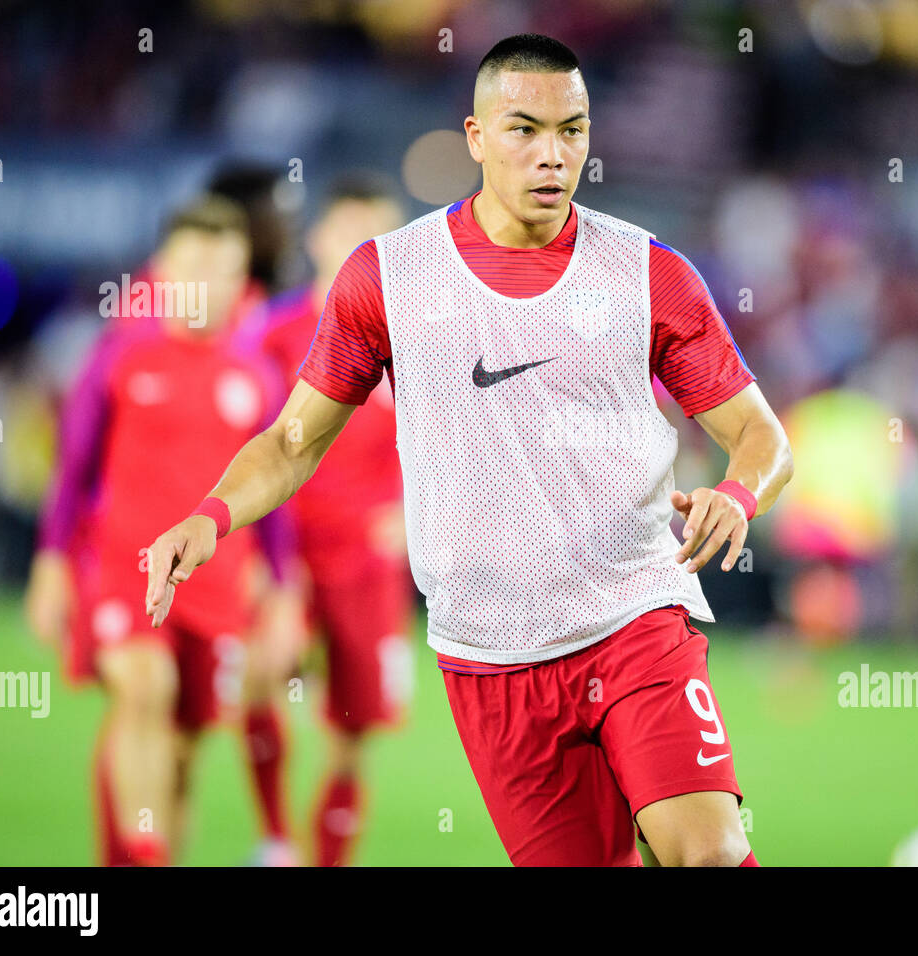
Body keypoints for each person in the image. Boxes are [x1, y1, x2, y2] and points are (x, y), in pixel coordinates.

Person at [144, 34, 794, 867]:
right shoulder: (389, 277)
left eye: (573, 130)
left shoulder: (648, 274)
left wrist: (736, 496)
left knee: (705, 852)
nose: (553, 155)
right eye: (524, 130)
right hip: (490, 656)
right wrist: (210, 516)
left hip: (635, 620)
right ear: (476, 137)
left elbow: (760, 436)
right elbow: (294, 440)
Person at [28, 194, 303, 865]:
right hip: (124, 570)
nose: (208, 283)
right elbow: (73, 471)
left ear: (243, 280)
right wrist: (51, 563)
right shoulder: (117, 358)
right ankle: (145, 854)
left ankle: (142, 856)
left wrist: (286, 590)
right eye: (195, 265)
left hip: (216, 590)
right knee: (146, 688)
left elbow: (275, 496)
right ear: (165, 273)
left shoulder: (259, 378)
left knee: (182, 749)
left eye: (224, 269)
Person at [234, 174, 413, 867]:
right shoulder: (275, 335)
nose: (362, 250)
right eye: (349, 233)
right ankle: (276, 838)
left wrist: (412, 509)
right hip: (288, 547)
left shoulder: (415, 342)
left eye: (378, 238)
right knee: (263, 672)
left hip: (367, 560)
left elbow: (449, 439)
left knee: (349, 729)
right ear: (317, 239)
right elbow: (246, 438)